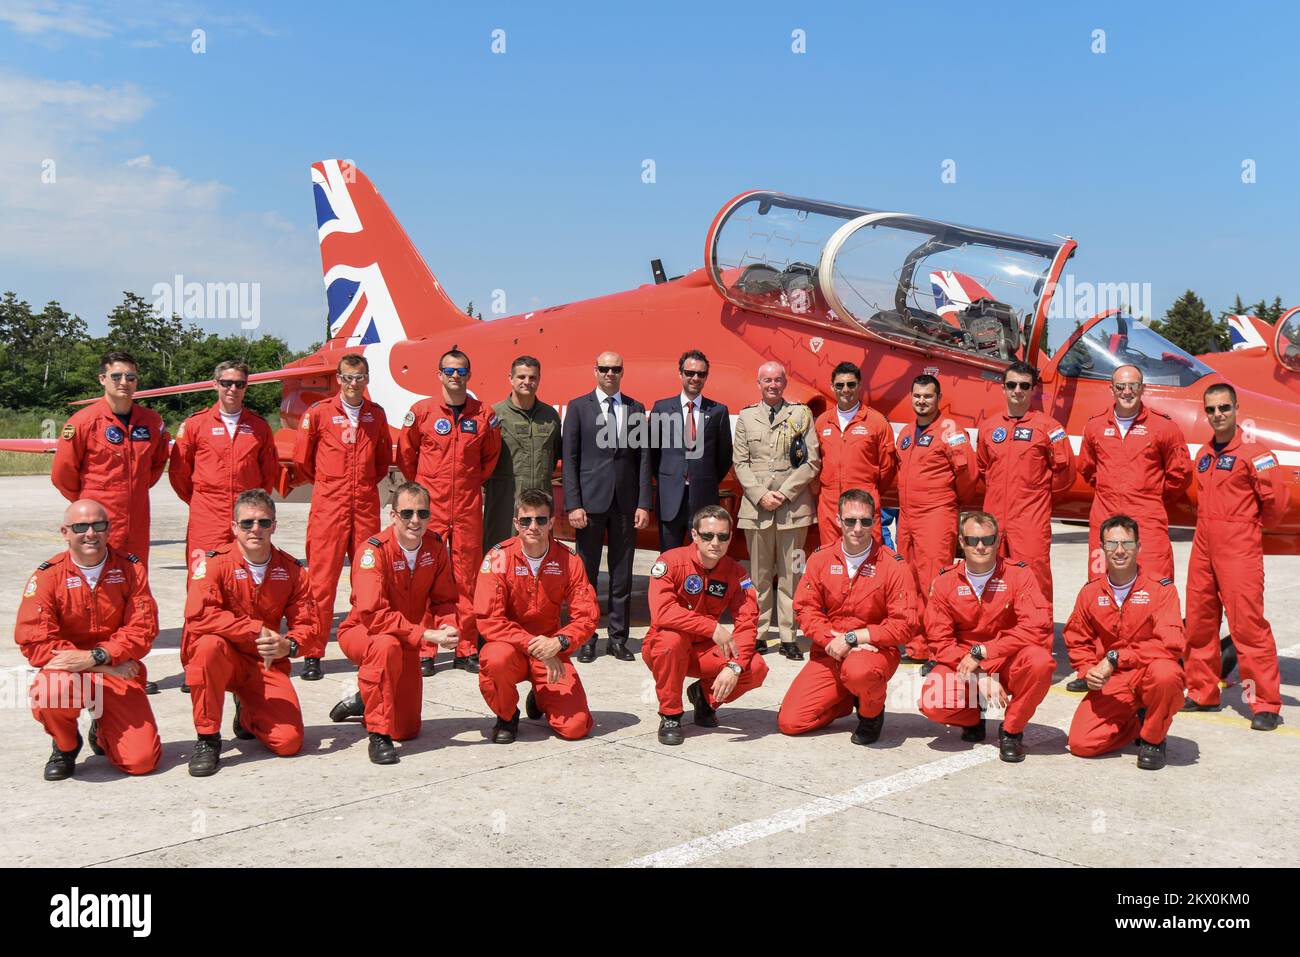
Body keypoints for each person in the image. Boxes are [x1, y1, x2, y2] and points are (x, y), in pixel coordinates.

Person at [14, 499, 161, 780]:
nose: (90, 533)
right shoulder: (48, 576)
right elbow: (35, 641)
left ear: (108, 530)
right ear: (65, 532)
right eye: (80, 526)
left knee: (142, 762)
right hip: (78, 672)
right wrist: (102, 665)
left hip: (116, 670)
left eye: (98, 525)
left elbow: (142, 629)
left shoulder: (131, 569)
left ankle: (104, 731)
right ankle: (65, 745)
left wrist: (99, 656)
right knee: (52, 688)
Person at [182, 490, 316, 776]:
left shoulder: (291, 570)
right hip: (224, 657)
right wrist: (256, 630)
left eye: (264, 522)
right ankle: (207, 738)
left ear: (274, 526)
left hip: (264, 663)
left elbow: (309, 624)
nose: (256, 529)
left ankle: (247, 713)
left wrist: (290, 646)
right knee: (207, 645)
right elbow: (200, 615)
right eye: (247, 523)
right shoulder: (214, 564)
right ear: (234, 527)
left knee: (289, 742)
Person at [327, 483, 460, 764]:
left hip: (406, 637)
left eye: (422, 513)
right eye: (407, 513)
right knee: (385, 647)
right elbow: (373, 614)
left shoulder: (435, 548)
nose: (415, 520)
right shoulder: (373, 551)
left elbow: (444, 599)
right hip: (364, 632)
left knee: (408, 729)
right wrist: (426, 633)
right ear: (393, 516)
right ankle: (378, 735)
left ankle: (365, 699)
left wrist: (448, 625)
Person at [169, 360, 280, 695]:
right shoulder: (195, 426)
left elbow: (268, 474)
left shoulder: (258, 428)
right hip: (208, 515)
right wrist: (205, 503)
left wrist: (251, 513)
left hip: (247, 519)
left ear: (246, 387)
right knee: (200, 588)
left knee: (248, 587)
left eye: (240, 384)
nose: (233, 389)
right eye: (227, 383)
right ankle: (194, 663)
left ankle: (246, 656)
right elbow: (179, 475)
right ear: (214, 385)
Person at [1182, 384, 1287, 730]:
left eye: (1224, 408)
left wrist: (1250, 532)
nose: (1218, 415)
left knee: (1247, 628)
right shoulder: (1204, 455)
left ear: (1236, 407)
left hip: (1238, 548)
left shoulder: (1256, 453)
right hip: (1204, 545)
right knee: (1199, 623)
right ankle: (1202, 692)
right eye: (1211, 410)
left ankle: (1264, 704)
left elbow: (1276, 504)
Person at [780, 489, 917, 744]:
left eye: (865, 521)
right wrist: (832, 641)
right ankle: (846, 699)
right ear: (838, 520)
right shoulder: (820, 559)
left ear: (875, 522)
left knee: (860, 672)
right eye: (850, 520)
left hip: (873, 653)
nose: (858, 528)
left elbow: (905, 624)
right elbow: (805, 608)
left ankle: (870, 714)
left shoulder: (893, 565)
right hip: (830, 650)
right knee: (791, 722)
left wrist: (855, 638)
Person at [397, 347, 502, 675]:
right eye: (449, 371)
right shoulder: (423, 412)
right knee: (425, 575)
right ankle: (426, 649)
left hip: (468, 506)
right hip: (431, 508)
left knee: (467, 579)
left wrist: (469, 485)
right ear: (439, 374)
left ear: (469, 376)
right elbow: (406, 456)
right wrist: (424, 492)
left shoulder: (483, 414)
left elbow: (490, 458)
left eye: (461, 371)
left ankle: (465, 646)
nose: (455, 376)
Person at [918, 511, 1054, 762]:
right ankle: (972, 717)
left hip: (1007, 659)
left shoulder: (1019, 575)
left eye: (988, 540)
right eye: (972, 540)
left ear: (998, 540)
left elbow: (1036, 627)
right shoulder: (946, 581)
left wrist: (986, 652)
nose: (980, 546)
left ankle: (1012, 730)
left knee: (1041, 662)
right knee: (933, 702)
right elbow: (940, 641)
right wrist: (979, 674)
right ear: (961, 542)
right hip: (964, 661)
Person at [292, 353, 393, 681]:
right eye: (348, 377)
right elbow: (303, 461)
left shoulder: (375, 415)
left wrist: (358, 487)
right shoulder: (319, 414)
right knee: (320, 584)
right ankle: (312, 651)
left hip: (364, 505)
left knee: (367, 580)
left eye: (360, 377)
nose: (354, 384)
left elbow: (381, 463)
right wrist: (330, 487)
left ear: (367, 379)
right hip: (328, 508)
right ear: (338, 379)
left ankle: (361, 646)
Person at [475, 488, 600, 743]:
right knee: (494, 659)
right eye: (526, 520)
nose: (533, 527)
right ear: (516, 523)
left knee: (576, 728)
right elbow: (489, 619)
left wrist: (560, 642)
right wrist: (535, 646)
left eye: (541, 520)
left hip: (552, 648)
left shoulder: (569, 560)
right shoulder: (498, 557)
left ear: (552, 522)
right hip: (512, 647)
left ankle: (542, 696)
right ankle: (507, 716)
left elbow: (586, 616)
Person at [1064, 515, 1185, 769]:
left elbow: (1171, 644)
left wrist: (1115, 657)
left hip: (1149, 672)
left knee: (1168, 674)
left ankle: (1153, 739)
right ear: (1102, 549)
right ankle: (1135, 724)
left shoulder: (1161, 590)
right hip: (1115, 679)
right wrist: (1089, 671)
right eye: (1112, 544)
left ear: (1138, 548)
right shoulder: (1090, 592)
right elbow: (1077, 639)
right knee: (1081, 744)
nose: (1119, 551)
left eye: (1127, 544)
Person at [642, 506, 768, 745]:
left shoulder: (737, 573)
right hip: (666, 649)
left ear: (730, 538)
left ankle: (704, 698)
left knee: (755, 667)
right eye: (708, 536)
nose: (715, 542)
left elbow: (747, 623)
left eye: (722, 536)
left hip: (704, 652)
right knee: (671, 640)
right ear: (695, 535)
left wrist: (734, 666)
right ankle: (670, 715)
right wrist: (712, 628)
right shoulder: (670, 562)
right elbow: (663, 612)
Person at [561, 351, 652, 663]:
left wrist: (643, 502)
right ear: (595, 370)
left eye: (615, 369)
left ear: (622, 371)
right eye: (604, 368)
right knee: (586, 575)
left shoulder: (635, 408)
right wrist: (573, 503)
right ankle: (586, 636)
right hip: (590, 503)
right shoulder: (577, 408)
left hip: (625, 504)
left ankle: (618, 638)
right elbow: (569, 460)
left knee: (622, 573)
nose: (610, 373)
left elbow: (643, 461)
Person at [732, 361, 821, 659]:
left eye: (777, 380)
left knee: (791, 575)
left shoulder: (800, 414)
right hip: (757, 509)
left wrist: (783, 493)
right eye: (767, 380)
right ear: (759, 383)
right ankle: (756, 633)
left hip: (791, 509)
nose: (772, 385)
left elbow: (811, 461)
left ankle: (788, 635)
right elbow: (740, 463)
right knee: (758, 575)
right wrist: (760, 496)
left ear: (785, 383)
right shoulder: (746, 417)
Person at [51, 351, 169, 566]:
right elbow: (62, 473)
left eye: (131, 377)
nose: (124, 382)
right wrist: (87, 500)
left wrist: (135, 488)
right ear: (102, 379)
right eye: (116, 376)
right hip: (97, 524)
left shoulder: (152, 422)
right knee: (98, 583)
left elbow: (158, 462)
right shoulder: (83, 422)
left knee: (135, 580)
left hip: (137, 522)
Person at [1077, 365, 1192, 583]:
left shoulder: (1164, 427)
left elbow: (1180, 474)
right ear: (1112, 389)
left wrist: (1152, 495)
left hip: (1147, 518)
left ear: (1142, 389)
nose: (1127, 392)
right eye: (1121, 386)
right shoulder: (1095, 426)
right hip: (1105, 517)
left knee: (1156, 582)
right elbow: (1088, 468)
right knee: (1100, 584)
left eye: (1133, 386)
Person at [895, 374, 978, 668]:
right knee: (910, 581)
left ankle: (939, 649)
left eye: (928, 396)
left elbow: (968, 476)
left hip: (935, 514)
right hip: (907, 518)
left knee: (934, 583)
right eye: (917, 396)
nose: (921, 401)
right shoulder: (905, 433)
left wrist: (949, 504)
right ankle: (918, 644)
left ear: (938, 398)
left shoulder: (951, 431)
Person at [976, 360, 1075, 606]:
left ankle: (1038, 639)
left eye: (1024, 385)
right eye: (1011, 385)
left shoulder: (1049, 428)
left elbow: (1066, 474)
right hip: (995, 518)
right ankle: (995, 635)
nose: (1017, 390)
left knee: (1034, 578)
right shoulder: (989, 427)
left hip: (1031, 520)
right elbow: (981, 468)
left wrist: (1038, 498)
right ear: (1003, 388)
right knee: (991, 577)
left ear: (1033, 390)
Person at [649, 349, 733, 551]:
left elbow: (723, 456)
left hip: (704, 497)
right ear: (680, 374)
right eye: (690, 373)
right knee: (669, 555)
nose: (695, 378)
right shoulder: (662, 408)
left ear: (706, 377)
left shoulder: (718, 411)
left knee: (703, 554)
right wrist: (668, 477)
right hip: (670, 497)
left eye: (701, 374)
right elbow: (652, 453)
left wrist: (705, 477)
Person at [813, 362, 897, 550]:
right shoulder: (822, 422)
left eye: (851, 384)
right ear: (832, 386)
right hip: (829, 502)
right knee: (830, 554)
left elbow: (888, 468)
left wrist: (869, 490)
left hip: (864, 500)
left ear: (860, 386)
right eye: (840, 385)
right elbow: (815, 463)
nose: (845, 390)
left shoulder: (876, 422)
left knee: (867, 556)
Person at [482, 355, 562, 551]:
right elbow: (482, 459)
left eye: (533, 377)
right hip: (504, 502)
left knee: (538, 553)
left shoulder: (550, 416)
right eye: (521, 377)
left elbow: (554, 457)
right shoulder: (494, 415)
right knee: (499, 554)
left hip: (540, 501)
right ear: (510, 378)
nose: (527, 382)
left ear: (539, 379)